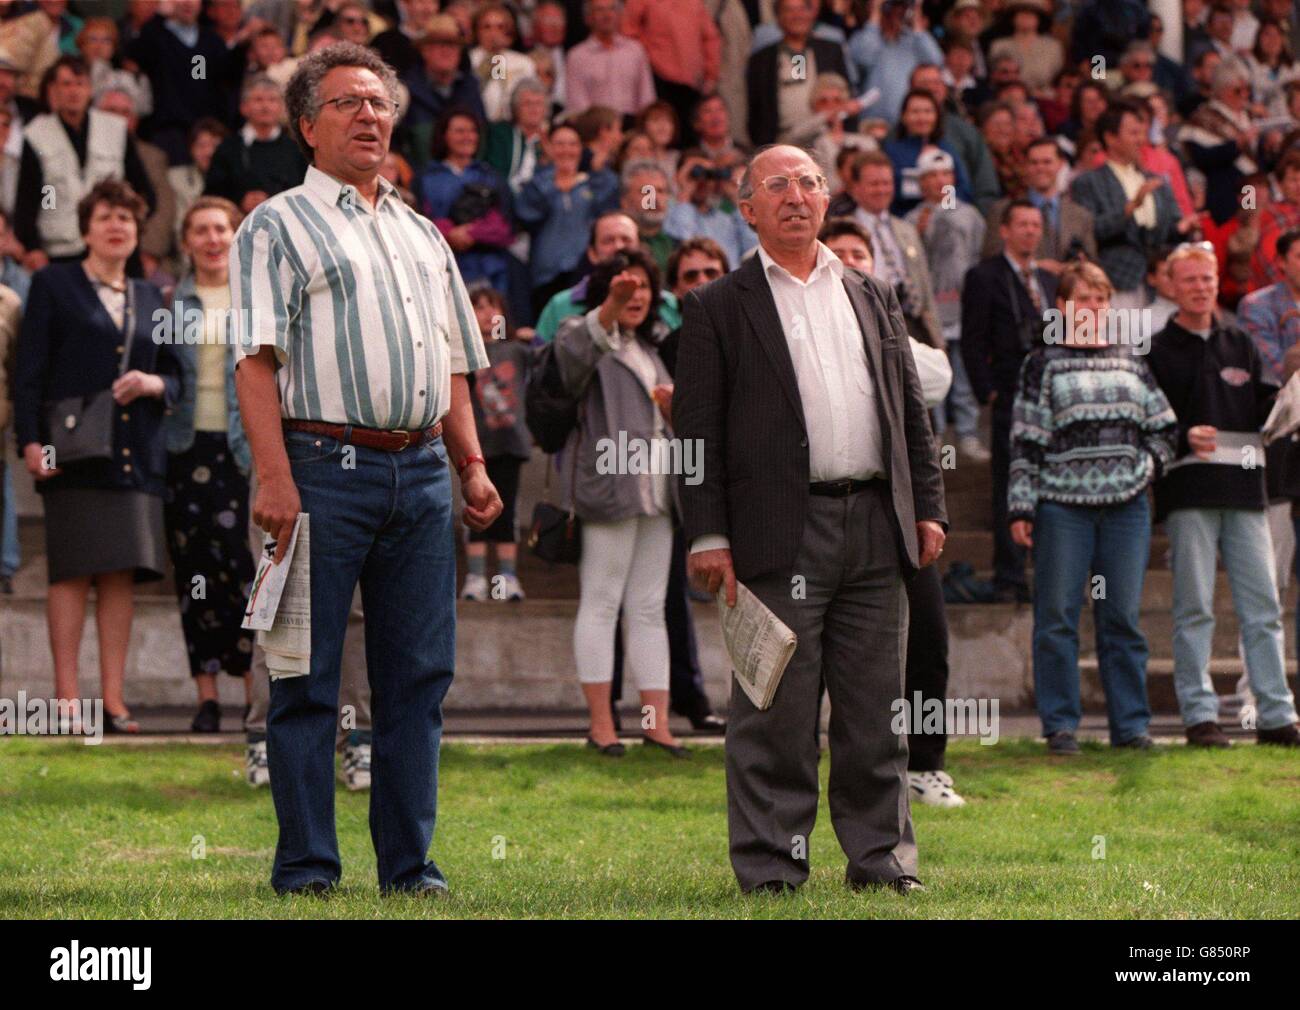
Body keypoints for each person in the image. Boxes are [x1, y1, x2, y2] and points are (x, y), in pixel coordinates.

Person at [229, 42, 502, 896]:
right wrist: (274, 478)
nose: (369, 115)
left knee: (418, 678)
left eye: (380, 102)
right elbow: (254, 360)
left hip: (422, 475)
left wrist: (473, 463)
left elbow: (454, 357)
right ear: (307, 124)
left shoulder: (423, 230)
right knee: (304, 682)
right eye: (348, 102)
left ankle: (410, 869)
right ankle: (308, 871)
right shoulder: (272, 225)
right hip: (317, 469)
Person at [675, 143, 947, 893]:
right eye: (777, 185)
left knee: (877, 716)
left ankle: (882, 864)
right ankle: (771, 870)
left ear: (827, 198)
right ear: (748, 208)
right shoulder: (715, 308)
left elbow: (909, 417)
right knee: (775, 717)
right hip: (774, 535)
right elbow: (693, 437)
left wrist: (927, 506)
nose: (795, 195)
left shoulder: (872, 291)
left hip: (876, 528)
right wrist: (708, 533)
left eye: (809, 183)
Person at [13, 179, 182, 735]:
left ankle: (113, 701)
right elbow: (29, 372)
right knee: (71, 574)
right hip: (72, 453)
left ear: (137, 233)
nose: (117, 227)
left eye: (127, 220)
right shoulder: (54, 283)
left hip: (135, 456)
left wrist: (153, 382)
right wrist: (31, 442)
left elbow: (176, 373)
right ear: (86, 227)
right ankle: (66, 701)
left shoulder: (153, 295)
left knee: (118, 577)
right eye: (107, 217)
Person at [818, 215, 961, 807]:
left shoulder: (896, 322)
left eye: (861, 252)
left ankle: (926, 764)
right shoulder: (805, 327)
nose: (851, 260)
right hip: (824, 510)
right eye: (840, 251)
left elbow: (938, 378)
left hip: (899, 507)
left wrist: (879, 342)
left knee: (928, 634)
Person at [1008, 261, 1178, 755]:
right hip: (1062, 508)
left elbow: (1164, 428)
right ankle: (1060, 727)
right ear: (1061, 307)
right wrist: (1021, 507)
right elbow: (1025, 441)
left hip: (1127, 510)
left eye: (1102, 299)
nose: (1094, 308)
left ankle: (1131, 727)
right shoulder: (1041, 363)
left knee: (1121, 617)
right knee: (1057, 618)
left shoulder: (1132, 360)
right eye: (1083, 298)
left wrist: (1145, 469)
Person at [1146, 242, 1300, 748]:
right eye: (1189, 279)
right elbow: (1148, 423)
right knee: (1194, 608)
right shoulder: (1157, 349)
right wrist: (1181, 434)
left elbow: (1265, 411)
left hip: (1247, 489)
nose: (1200, 287)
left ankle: (1276, 715)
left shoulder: (1242, 342)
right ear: (1171, 284)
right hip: (1189, 492)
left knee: (1262, 606)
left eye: (1207, 279)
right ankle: (1199, 715)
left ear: (1217, 282)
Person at [553, 247, 685, 757]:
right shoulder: (582, 335)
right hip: (609, 489)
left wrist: (676, 413)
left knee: (650, 608)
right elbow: (569, 362)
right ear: (605, 292)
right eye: (624, 286)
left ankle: (657, 725)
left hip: (658, 492)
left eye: (645, 287)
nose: (637, 295)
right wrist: (607, 309)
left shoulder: (652, 349)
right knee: (601, 602)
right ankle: (602, 727)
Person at [160, 196, 255, 732]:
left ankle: (251, 695)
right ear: (187, 241)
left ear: (235, 235)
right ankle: (207, 696)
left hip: (244, 450)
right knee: (194, 573)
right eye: (201, 230)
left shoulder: (255, 297)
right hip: (185, 449)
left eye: (222, 229)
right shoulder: (171, 302)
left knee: (244, 572)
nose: (213, 238)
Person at [962, 200, 1058, 604]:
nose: (1030, 232)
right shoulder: (984, 276)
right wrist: (989, 392)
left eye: (1036, 225)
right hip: (1010, 394)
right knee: (1008, 486)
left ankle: (1051, 575)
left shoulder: (1050, 282)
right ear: (1004, 230)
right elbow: (972, 339)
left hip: (1052, 398)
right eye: (1022, 224)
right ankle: (1010, 575)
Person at [14, 55, 155, 271]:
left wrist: (128, 229)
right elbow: (28, 197)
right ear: (53, 90)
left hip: (113, 250)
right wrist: (32, 246)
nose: (74, 91)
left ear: (90, 89)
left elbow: (143, 191)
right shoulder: (36, 134)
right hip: (60, 251)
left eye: (80, 84)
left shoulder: (116, 129)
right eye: (66, 84)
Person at [904, 148, 987, 462]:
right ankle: (934, 438)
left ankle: (967, 434)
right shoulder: (913, 220)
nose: (940, 182)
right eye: (932, 176)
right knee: (933, 369)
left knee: (964, 373)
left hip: (965, 306)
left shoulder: (970, 215)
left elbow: (977, 256)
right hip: (931, 309)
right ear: (922, 182)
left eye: (945, 175)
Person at [1070, 101, 1184, 311]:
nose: (1141, 140)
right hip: (1117, 283)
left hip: (1159, 285)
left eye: (1143, 133)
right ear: (1110, 138)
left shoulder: (1156, 180)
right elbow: (1089, 230)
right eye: (1133, 133)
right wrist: (1130, 208)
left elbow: (1171, 228)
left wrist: (1182, 227)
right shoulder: (1088, 182)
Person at [461, 285, 531, 602]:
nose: (488, 314)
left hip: (511, 444)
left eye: (494, 306)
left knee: (507, 513)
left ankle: (506, 581)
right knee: (476, 511)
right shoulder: (463, 353)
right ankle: (475, 579)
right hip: (477, 446)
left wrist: (536, 338)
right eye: (478, 307)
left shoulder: (516, 350)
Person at [836, 149, 942, 349]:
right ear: (855, 188)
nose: (882, 190)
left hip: (913, 326)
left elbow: (925, 287)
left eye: (887, 183)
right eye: (874, 184)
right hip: (870, 326)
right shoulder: (843, 231)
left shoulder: (906, 229)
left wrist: (938, 340)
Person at [515, 121, 619, 316]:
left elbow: (609, 211)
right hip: (546, 274)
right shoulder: (538, 184)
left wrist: (598, 172)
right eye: (560, 144)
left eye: (572, 144)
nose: (566, 150)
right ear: (549, 147)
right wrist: (554, 185)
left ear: (581, 149)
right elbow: (526, 214)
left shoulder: (592, 182)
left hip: (586, 272)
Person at [416, 107, 514, 300]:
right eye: (460, 131)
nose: (468, 137)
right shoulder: (425, 178)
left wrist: (472, 232)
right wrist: (449, 235)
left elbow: (507, 227)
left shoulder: (491, 177)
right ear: (444, 136)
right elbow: (418, 223)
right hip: (441, 268)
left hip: (489, 271)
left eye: (472, 131)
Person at [746, 0, 852, 148]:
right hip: (781, 142)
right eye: (789, 10)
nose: (797, 16)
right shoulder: (761, 60)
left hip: (825, 140)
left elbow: (846, 95)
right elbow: (756, 111)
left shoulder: (831, 51)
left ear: (812, 14)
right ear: (778, 17)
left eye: (802, 9)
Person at [982, 138, 1096, 270]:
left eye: (1047, 162)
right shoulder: (1001, 210)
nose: (1040, 168)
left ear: (1061, 164)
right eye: (1034, 163)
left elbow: (1091, 265)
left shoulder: (1081, 215)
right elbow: (991, 258)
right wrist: (1035, 267)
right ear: (1025, 166)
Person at [204, 75, 309, 213]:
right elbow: (212, 196)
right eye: (258, 100)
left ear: (282, 108)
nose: (265, 106)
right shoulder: (227, 149)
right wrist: (239, 200)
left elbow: (305, 193)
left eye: (272, 100)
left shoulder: (296, 150)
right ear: (243, 107)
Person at [619, 0, 720, 139]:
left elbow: (710, 37)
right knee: (660, 134)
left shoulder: (694, 3)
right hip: (657, 78)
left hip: (692, 84)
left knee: (691, 136)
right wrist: (651, 55)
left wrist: (710, 74)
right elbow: (629, 30)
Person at [847, 0, 943, 127]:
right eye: (890, 7)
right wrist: (876, 11)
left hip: (907, 124)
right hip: (872, 123)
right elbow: (863, 59)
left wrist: (916, 17)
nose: (897, 12)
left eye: (902, 7)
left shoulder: (914, 41)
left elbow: (935, 61)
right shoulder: (862, 37)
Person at [884, 88, 972, 216]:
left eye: (928, 111)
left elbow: (964, 190)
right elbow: (892, 193)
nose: (922, 118)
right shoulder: (892, 152)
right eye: (915, 112)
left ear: (937, 116)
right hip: (906, 219)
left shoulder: (947, 149)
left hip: (946, 216)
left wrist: (941, 209)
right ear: (903, 116)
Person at [563, 0, 655, 119]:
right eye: (600, 10)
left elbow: (647, 99)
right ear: (588, 18)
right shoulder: (577, 57)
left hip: (632, 130)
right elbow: (577, 106)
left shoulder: (636, 51)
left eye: (612, 9)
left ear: (620, 15)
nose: (607, 15)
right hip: (594, 131)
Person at [468, 3, 536, 123]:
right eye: (487, 27)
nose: (493, 32)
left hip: (513, 126)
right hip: (477, 123)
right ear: (477, 31)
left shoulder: (524, 63)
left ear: (509, 31)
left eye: (500, 27)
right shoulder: (468, 60)